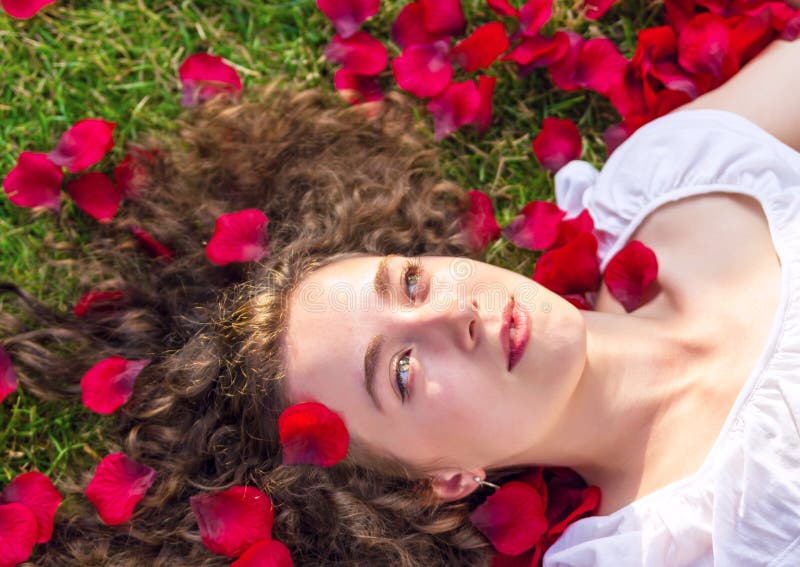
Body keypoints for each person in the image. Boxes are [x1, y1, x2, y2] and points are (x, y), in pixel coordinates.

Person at [3, 33, 799, 567]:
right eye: (403, 371)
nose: (452, 315)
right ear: (443, 479)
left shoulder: (676, 178)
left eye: (411, 282)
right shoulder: (657, 551)